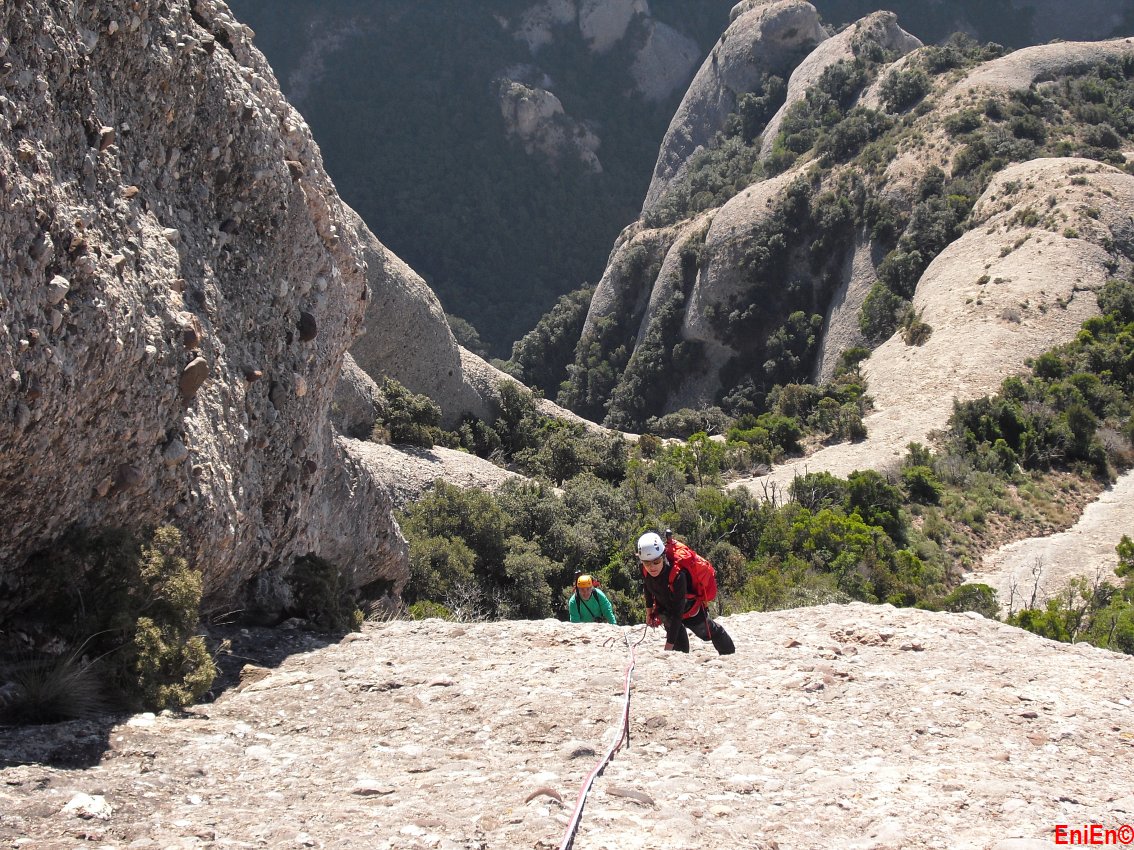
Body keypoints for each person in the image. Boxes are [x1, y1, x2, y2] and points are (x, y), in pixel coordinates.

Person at [637, 531, 735, 654]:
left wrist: (668, 646)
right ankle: (682, 658)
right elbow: (648, 586)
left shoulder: (677, 575)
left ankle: (729, 654)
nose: (652, 567)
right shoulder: (644, 569)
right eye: (647, 563)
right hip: (667, 608)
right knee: (677, 639)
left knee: (708, 633)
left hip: (688, 609)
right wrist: (649, 612)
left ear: (663, 556)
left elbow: (678, 612)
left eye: (656, 561)